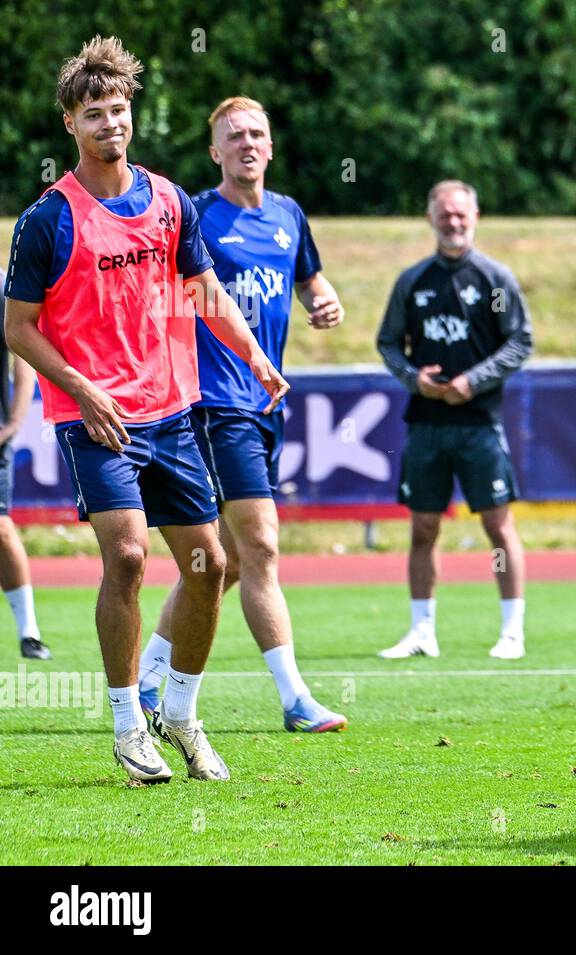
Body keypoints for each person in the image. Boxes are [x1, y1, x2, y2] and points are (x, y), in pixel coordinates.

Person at [3, 36, 289, 783]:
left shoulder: (166, 200)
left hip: (170, 412)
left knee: (209, 565)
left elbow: (203, 289)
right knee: (126, 558)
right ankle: (129, 724)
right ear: (71, 123)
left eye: (120, 109)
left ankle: (183, 714)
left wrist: (254, 354)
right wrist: (83, 388)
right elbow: (17, 326)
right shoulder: (46, 220)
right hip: (95, 419)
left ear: (134, 114)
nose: (111, 123)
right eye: (94, 112)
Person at [136, 96, 347, 733]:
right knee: (261, 546)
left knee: (216, 563)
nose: (247, 143)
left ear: (271, 145)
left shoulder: (288, 215)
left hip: (265, 405)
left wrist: (323, 297)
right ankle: (294, 699)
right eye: (234, 136)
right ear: (215, 151)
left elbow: (309, 278)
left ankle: (147, 673)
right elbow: (157, 290)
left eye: (257, 133)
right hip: (214, 404)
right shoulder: (195, 215)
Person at [376, 180, 533, 659]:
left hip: (480, 423)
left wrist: (474, 380)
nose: (454, 222)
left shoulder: (494, 280)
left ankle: (512, 631)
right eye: (445, 214)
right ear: (431, 217)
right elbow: (388, 343)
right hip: (425, 423)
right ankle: (422, 631)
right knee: (423, 528)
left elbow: (519, 341)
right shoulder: (413, 282)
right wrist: (413, 378)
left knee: (497, 526)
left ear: (475, 216)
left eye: (461, 214)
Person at [0, 272, 50, 660]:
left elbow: (23, 354)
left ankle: (29, 633)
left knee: (1, 528)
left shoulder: (6, 285)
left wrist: (14, 423)